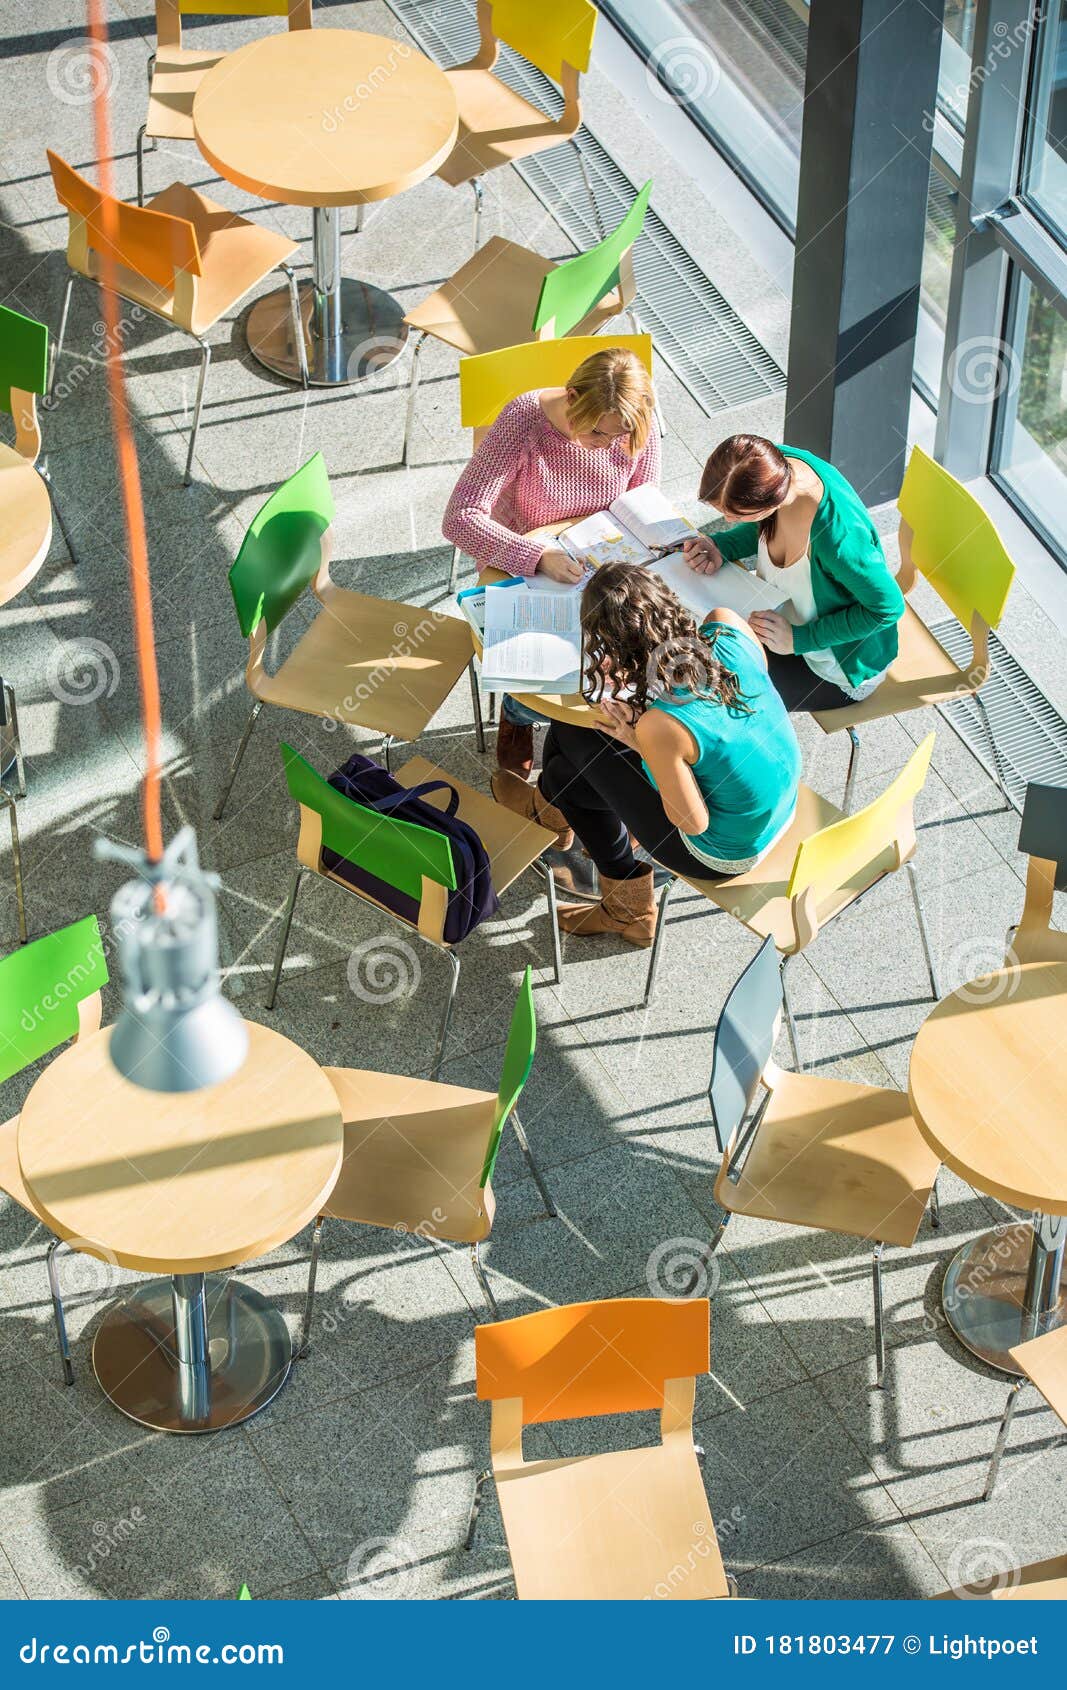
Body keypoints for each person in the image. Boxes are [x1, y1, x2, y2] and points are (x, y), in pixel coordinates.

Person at [490, 563, 802, 947]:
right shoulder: (725, 625)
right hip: (780, 801)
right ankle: (549, 813)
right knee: (577, 735)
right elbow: (748, 687)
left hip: (725, 850)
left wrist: (646, 743)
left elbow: (692, 823)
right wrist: (651, 736)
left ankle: (628, 911)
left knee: (572, 766)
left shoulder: (662, 726)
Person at [442, 347, 660, 777]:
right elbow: (460, 518)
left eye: (618, 438)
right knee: (535, 657)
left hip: (598, 553)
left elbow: (642, 499)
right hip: (520, 554)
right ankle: (518, 714)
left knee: (627, 643)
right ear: (573, 396)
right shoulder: (525, 420)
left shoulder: (634, 422)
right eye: (598, 434)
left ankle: (589, 740)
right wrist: (537, 556)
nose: (608, 448)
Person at [685, 435, 905, 711]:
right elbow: (764, 527)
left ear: (771, 501)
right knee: (679, 649)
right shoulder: (773, 465)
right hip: (776, 625)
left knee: (701, 700)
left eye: (737, 515)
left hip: (832, 669)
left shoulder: (839, 541)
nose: (728, 521)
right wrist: (722, 545)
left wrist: (800, 639)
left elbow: (887, 608)